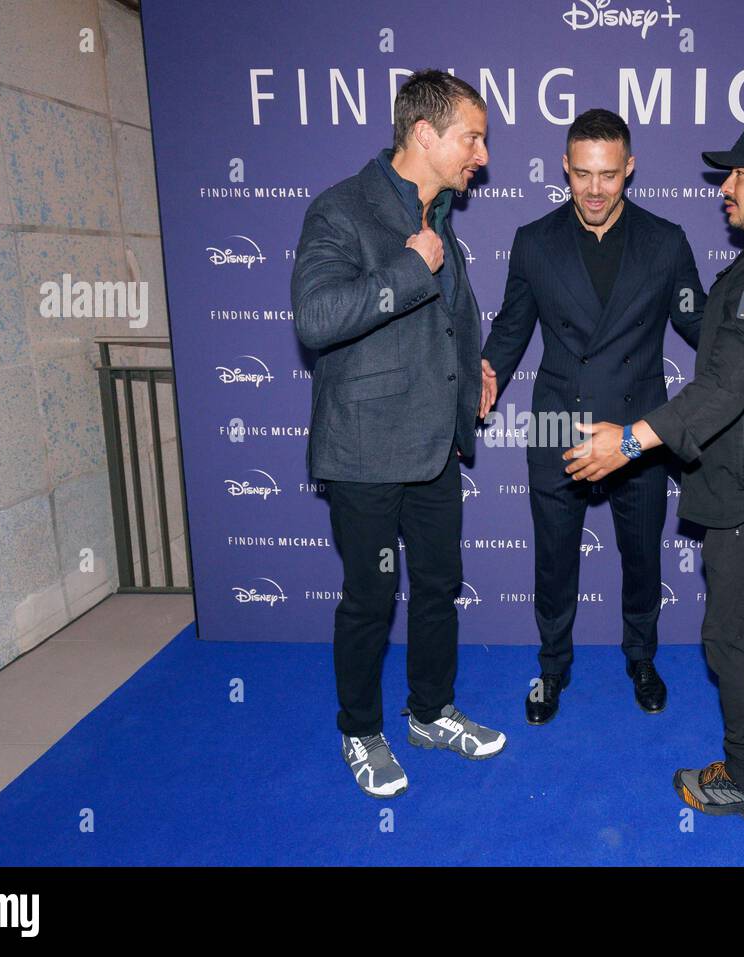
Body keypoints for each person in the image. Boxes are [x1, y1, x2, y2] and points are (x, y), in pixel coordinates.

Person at [562, 117, 744, 825]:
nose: (725, 187)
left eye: (738, 175)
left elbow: (728, 383)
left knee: (729, 627)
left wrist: (629, 441)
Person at [290, 69, 505, 800]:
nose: (481, 152)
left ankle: (430, 711)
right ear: (424, 133)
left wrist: (467, 364)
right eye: (471, 136)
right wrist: (411, 268)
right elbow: (317, 320)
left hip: (433, 447)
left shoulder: (440, 213)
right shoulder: (342, 209)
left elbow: (437, 318)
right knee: (372, 598)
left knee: (440, 587)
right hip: (366, 452)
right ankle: (360, 727)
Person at [478, 109, 706, 724]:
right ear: (565, 169)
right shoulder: (533, 241)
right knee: (553, 560)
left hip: (639, 431)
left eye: (609, 174)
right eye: (583, 175)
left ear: (629, 168)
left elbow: (699, 325)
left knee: (643, 556)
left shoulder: (666, 241)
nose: (596, 189)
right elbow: (512, 330)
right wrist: (482, 373)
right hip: (558, 425)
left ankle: (641, 658)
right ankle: (552, 667)